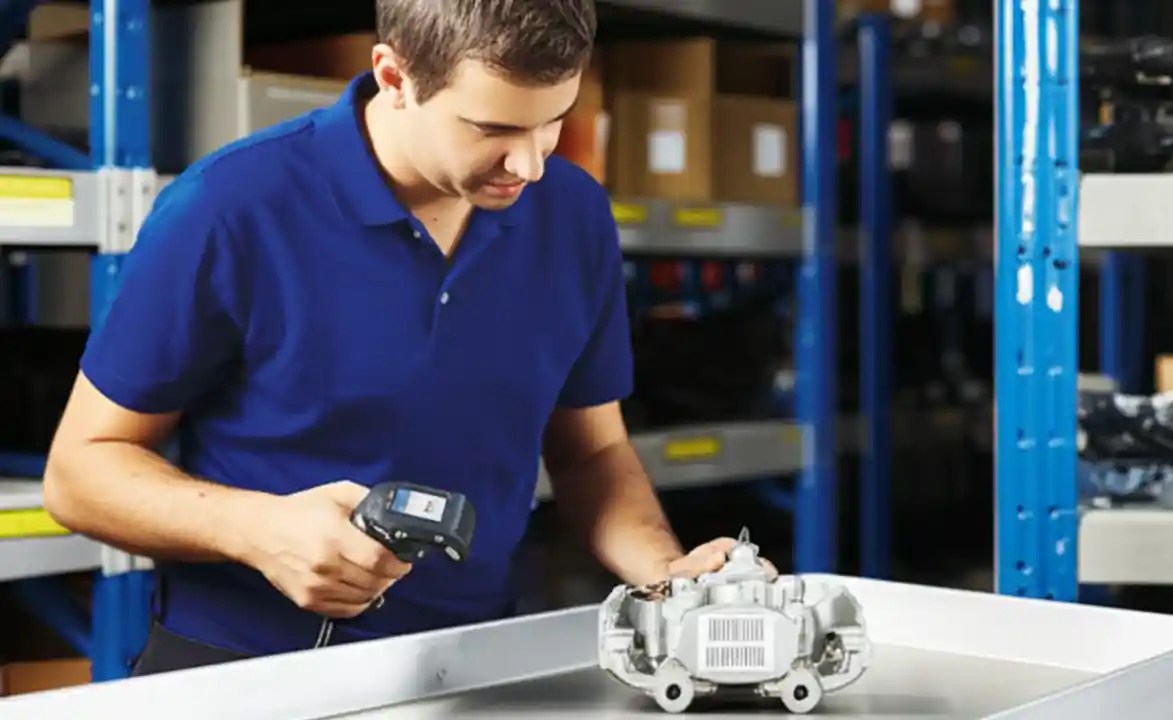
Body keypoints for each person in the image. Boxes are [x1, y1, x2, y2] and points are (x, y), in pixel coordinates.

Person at [41, 0, 750, 675]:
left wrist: (668, 574)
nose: (530, 165)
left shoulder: (573, 214)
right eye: (492, 129)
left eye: (552, 123)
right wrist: (258, 529)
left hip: (470, 664)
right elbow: (80, 474)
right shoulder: (229, 208)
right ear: (394, 76)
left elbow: (592, 452)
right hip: (244, 666)